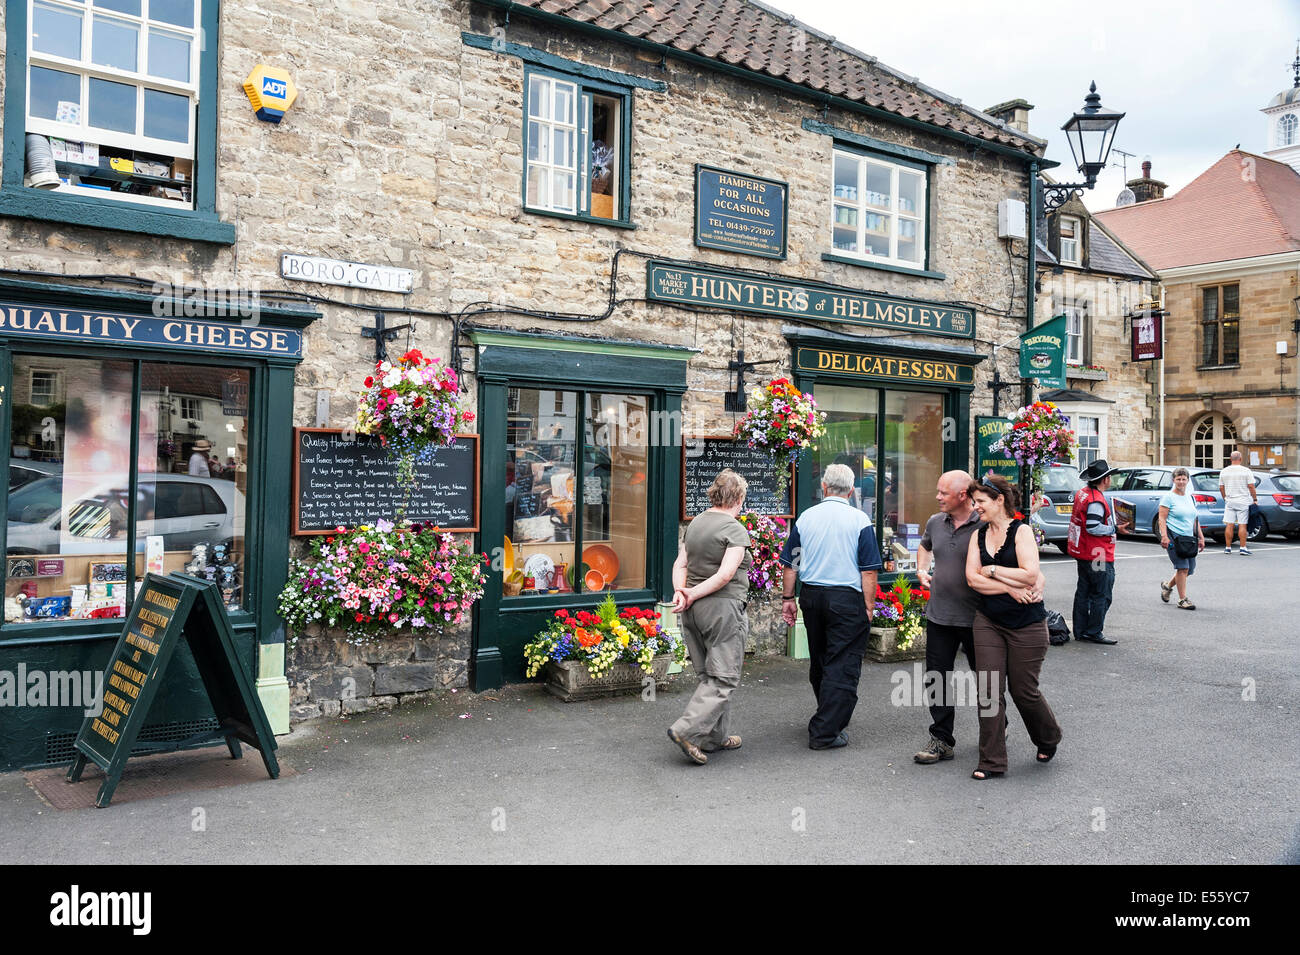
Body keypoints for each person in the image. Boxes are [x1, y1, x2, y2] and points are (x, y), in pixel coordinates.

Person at [912, 470, 1048, 765]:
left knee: (988, 683)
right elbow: (925, 547)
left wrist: (1029, 583)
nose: (937, 498)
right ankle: (941, 739)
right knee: (937, 679)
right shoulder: (936, 522)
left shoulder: (984, 522)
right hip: (939, 616)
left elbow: (1026, 566)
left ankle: (998, 729)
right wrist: (922, 570)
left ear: (963, 496)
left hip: (979, 618)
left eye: (942, 493)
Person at [779, 462, 882, 750]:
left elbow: (791, 564)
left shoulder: (806, 518)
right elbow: (869, 571)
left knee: (821, 658)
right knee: (844, 663)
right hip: (845, 599)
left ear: (823, 487)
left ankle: (828, 715)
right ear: (851, 490)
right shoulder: (860, 520)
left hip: (812, 596)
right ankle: (824, 731)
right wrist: (869, 606)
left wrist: (788, 599)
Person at [965, 475, 1061, 780]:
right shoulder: (977, 536)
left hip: (1027, 623)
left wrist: (993, 570)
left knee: (1023, 690)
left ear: (999, 500)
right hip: (988, 621)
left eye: (980, 501)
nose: (975, 506)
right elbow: (972, 580)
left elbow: (1031, 575)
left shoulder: (1021, 532)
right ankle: (991, 761)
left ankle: (1048, 736)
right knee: (989, 690)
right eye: (974, 501)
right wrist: (1009, 587)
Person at [666, 469, 751, 765]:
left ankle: (715, 737)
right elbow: (726, 575)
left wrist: (683, 592)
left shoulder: (697, 523)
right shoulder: (735, 529)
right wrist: (693, 594)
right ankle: (686, 731)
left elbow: (681, 563)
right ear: (738, 497)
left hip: (693, 611)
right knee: (723, 677)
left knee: (710, 675)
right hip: (722, 610)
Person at [1067, 458, 1131, 645]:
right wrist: (1114, 529)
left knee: (1084, 592)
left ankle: (1080, 630)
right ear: (1105, 479)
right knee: (1101, 594)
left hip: (1084, 550)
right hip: (1097, 553)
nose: (1110, 479)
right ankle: (1093, 631)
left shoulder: (1083, 493)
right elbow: (1093, 526)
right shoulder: (1096, 500)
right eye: (1109, 476)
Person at [1159, 467, 1206, 610]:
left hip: (1188, 538)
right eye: (1178, 479)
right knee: (1182, 568)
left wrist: (1201, 537)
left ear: (1187, 480)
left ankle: (1167, 586)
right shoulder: (1168, 497)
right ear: (1173, 480)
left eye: (1183, 479)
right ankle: (1182, 600)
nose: (1181, 481)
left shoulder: (1189, 497)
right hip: (1174, 537)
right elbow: (1162, 518)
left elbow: (1194, 519)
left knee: (1189, 570)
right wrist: (1164, 536)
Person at [1218, 451, 1258, 556]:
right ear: (1240, 459)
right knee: (1242, 525)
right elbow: (1251, 486)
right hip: (1243, 501)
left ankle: (1227, 547)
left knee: (1229, 524)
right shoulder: (1246, 471)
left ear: (1230, 459)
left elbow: (1221, 487)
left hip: (1230, 501)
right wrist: (1255, 499)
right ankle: (1243, 547)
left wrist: (1225, 498)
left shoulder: (1224, 471)